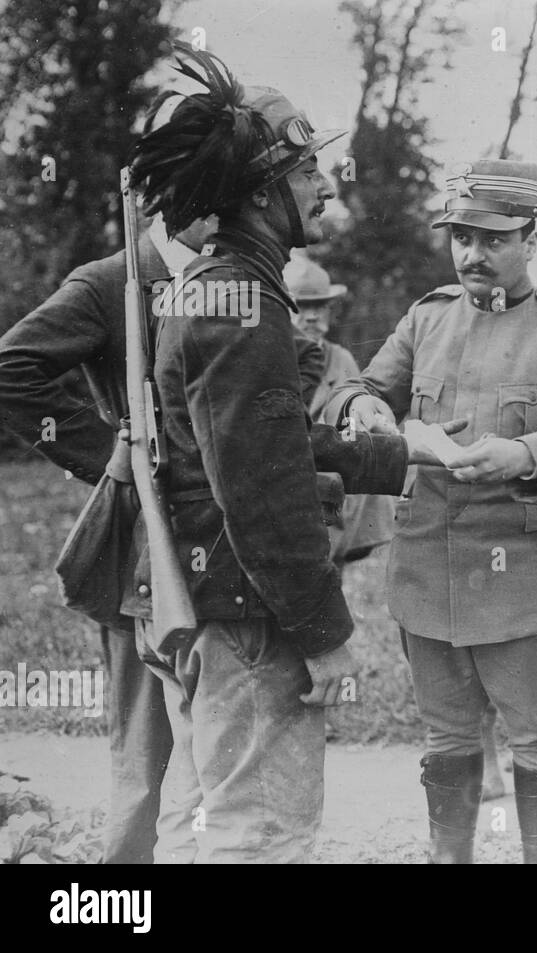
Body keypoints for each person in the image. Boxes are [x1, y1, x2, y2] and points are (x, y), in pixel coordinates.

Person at [123, 47, 450, 862]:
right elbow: (262, 490)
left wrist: (404, 454)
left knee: (212, 822)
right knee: (260, 835)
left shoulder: (219, 286)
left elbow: (272, 445)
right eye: (308, 173)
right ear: (264, 191)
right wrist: (323, 631)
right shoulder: (247, 303)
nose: (325, 188)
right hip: (251, 618)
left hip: (217, 602)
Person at [326, 158, 537, 864]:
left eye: (492, 239)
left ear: (529, 238)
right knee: (447, 739)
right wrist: (384, 420)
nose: (472, 254)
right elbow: (360, 392)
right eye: (461, 237)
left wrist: (522, 456)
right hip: (430, 571)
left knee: (535, 737)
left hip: (524, 575)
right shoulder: (426, 318)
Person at [0, 129, 218, 862]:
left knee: (221, 746)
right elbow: (13, 369)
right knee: (145, 746)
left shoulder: (237, 279)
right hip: (146, 540)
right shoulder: (109, 282)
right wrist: (112, 457)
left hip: (224, 539)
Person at [285, 254, 396, 566]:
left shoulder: (340, 360)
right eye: (301, 307)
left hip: (329, 498)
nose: (311, 317)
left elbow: (353, 433)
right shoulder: (270, 359)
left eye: (319, 306)